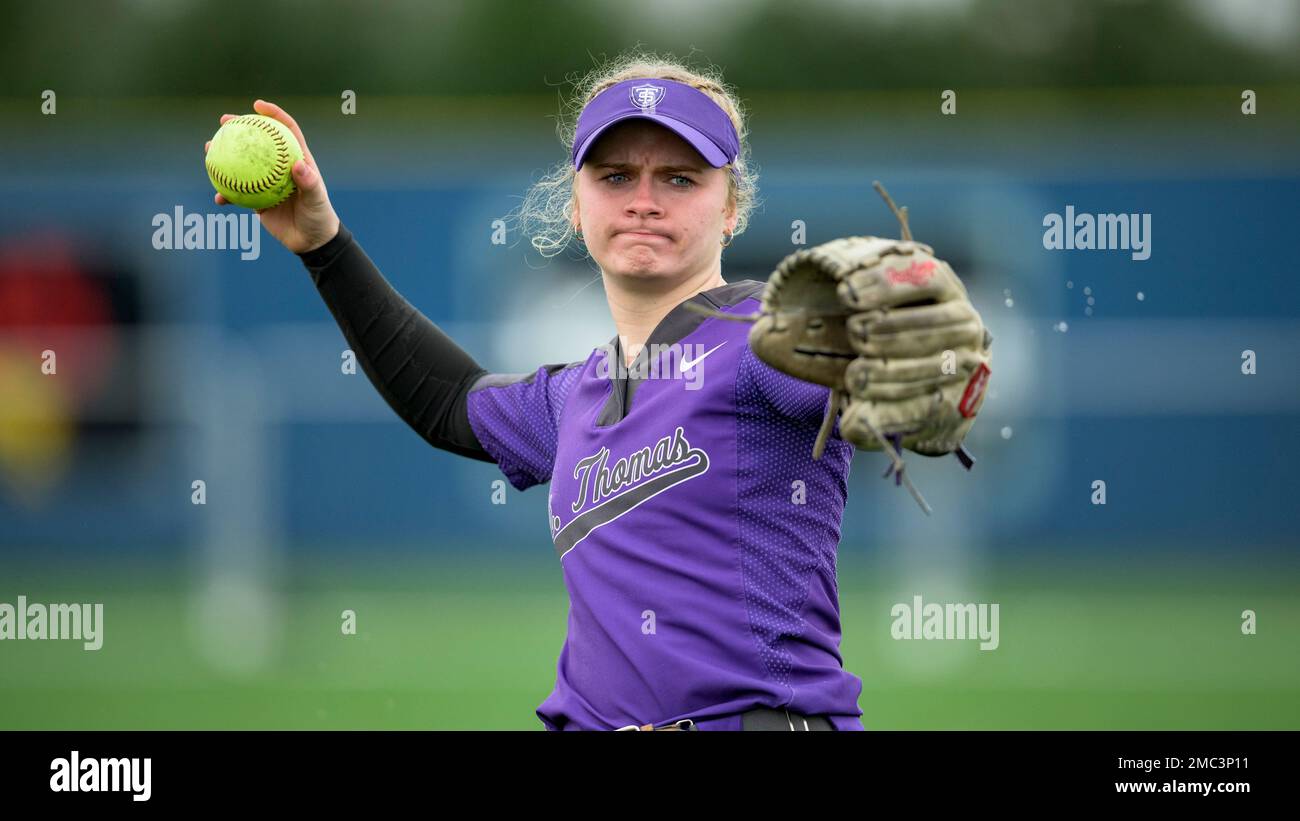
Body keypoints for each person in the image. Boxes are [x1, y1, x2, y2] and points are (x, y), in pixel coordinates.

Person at [207, 53, 865, 731]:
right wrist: (324, 244)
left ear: (729, 208)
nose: (644, 198)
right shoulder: (573, 397)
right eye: (615, 176)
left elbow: (854, 378)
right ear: (577, 208)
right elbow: (445, 397)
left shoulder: (763, 338)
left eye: (679, 177)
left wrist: (890, 370)